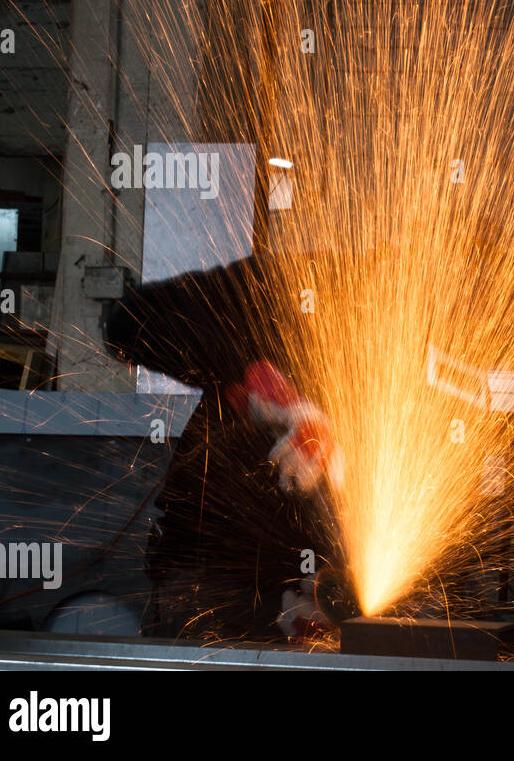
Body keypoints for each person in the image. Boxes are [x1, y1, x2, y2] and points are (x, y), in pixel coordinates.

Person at [104, 252, 346, 642]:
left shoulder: (424, 385)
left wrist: (323, 590)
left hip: (299, 583)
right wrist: (252, 379)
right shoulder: (273, 284)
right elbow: (128, 322)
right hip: (208, 569)